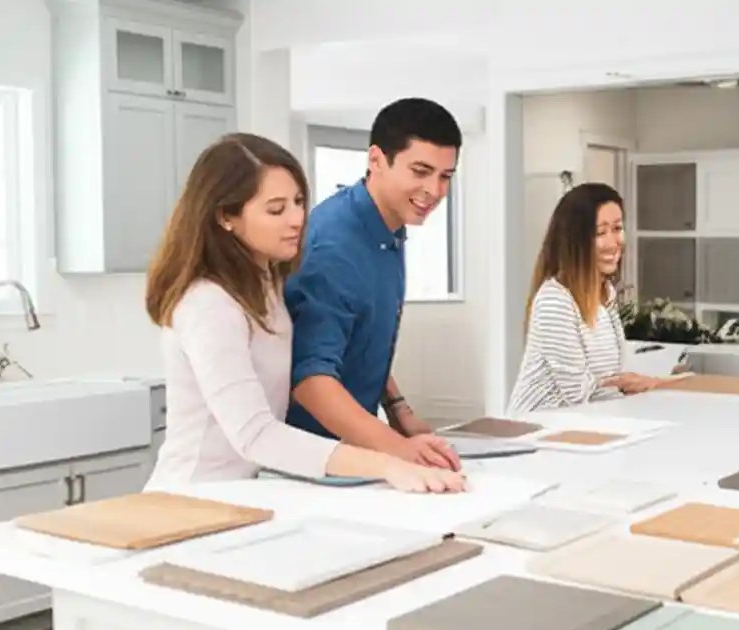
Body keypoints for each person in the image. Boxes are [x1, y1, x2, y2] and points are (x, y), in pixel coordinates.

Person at [143, 132, 465, 493]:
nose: (297, 218)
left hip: (241, 494)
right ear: (226, 216)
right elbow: (256, 434)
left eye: (298, 202)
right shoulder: (209, 303)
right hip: (190, 498)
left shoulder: (267, 287)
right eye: (276, 209)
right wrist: (388, 463)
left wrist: (398, 419)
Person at [285, 98, 463, 471]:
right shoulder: (334, 245)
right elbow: (310, 380)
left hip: (353, 448)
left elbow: (360, 336)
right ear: (376, 160)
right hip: (308, 460)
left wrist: (397, 409)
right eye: (420, 171)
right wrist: (399, 450)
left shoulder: (389, 227)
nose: (434, 190)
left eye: (445, 176)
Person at [507, 182, 664, 415]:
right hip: (536, 433)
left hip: (584, 426)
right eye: (600, 233)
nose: (614, 242)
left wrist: (648, 383)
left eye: (618, 228)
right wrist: (629, 385)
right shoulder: (555, 300)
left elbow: (615, 374)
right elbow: (578, 394)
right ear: (575, 241)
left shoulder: (606, 293)